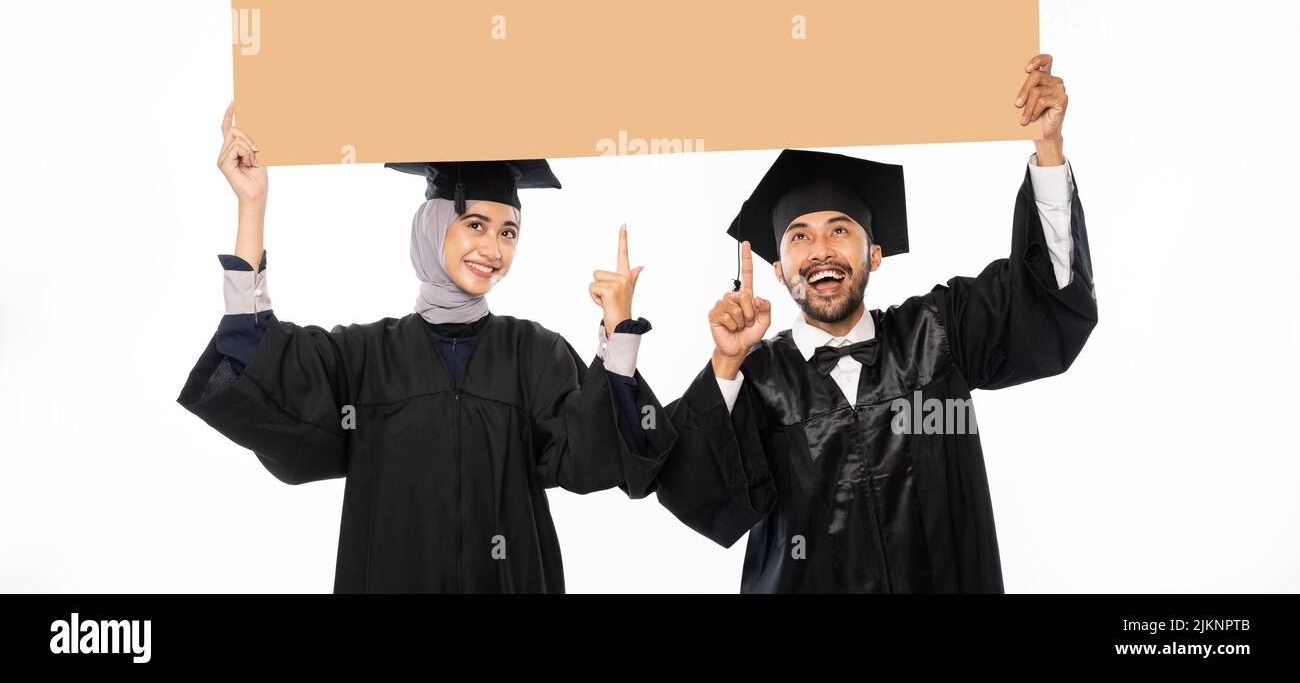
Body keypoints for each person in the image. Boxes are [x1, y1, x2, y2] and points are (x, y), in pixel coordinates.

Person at [177, 102, 677, 593]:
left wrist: (618, 335)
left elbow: (594, 456)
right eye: (474, 225)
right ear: (433, 226)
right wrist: (252, 207)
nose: (493, 250)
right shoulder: (367, 356)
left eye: (508, 232)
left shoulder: (534, 354)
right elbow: (255, 355)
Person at [654, 54, 1098, 592]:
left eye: (840, 231)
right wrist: (726, 363)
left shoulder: (939, 332)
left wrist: (1048, 150)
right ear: (778, 268)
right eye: (799, 236)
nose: (821, 250)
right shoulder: (755, 379)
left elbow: (1045, 303)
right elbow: (691, 490)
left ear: (874, 254)